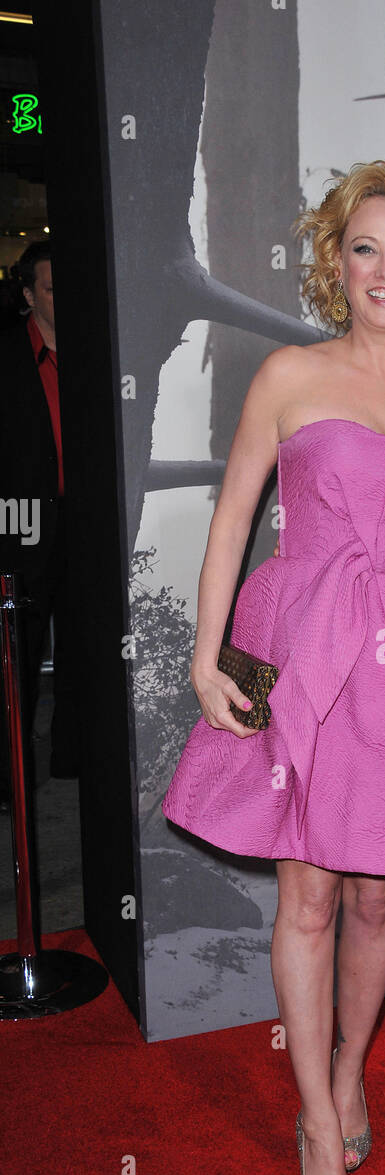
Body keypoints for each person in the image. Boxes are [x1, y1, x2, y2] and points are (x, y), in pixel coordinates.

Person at [162, 161, 385, 1175]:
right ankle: (314, 1115)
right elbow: (230, 525)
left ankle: (351, 1067)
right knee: (305, 894)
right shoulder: (289, 376)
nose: (384, 269)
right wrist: (209, 659)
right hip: (302, 652)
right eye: (364, 248)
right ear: (334, 264)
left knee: (377, 896)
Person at [0, 241, 77, 809]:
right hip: (20, 521)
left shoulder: (98, 352)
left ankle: (74, 759)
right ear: (29, 295)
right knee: (18, 651)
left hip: (85, 521)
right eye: (52, 287)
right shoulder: (6, 355)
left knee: (86, 645)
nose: (64, 297)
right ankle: (9, 778)